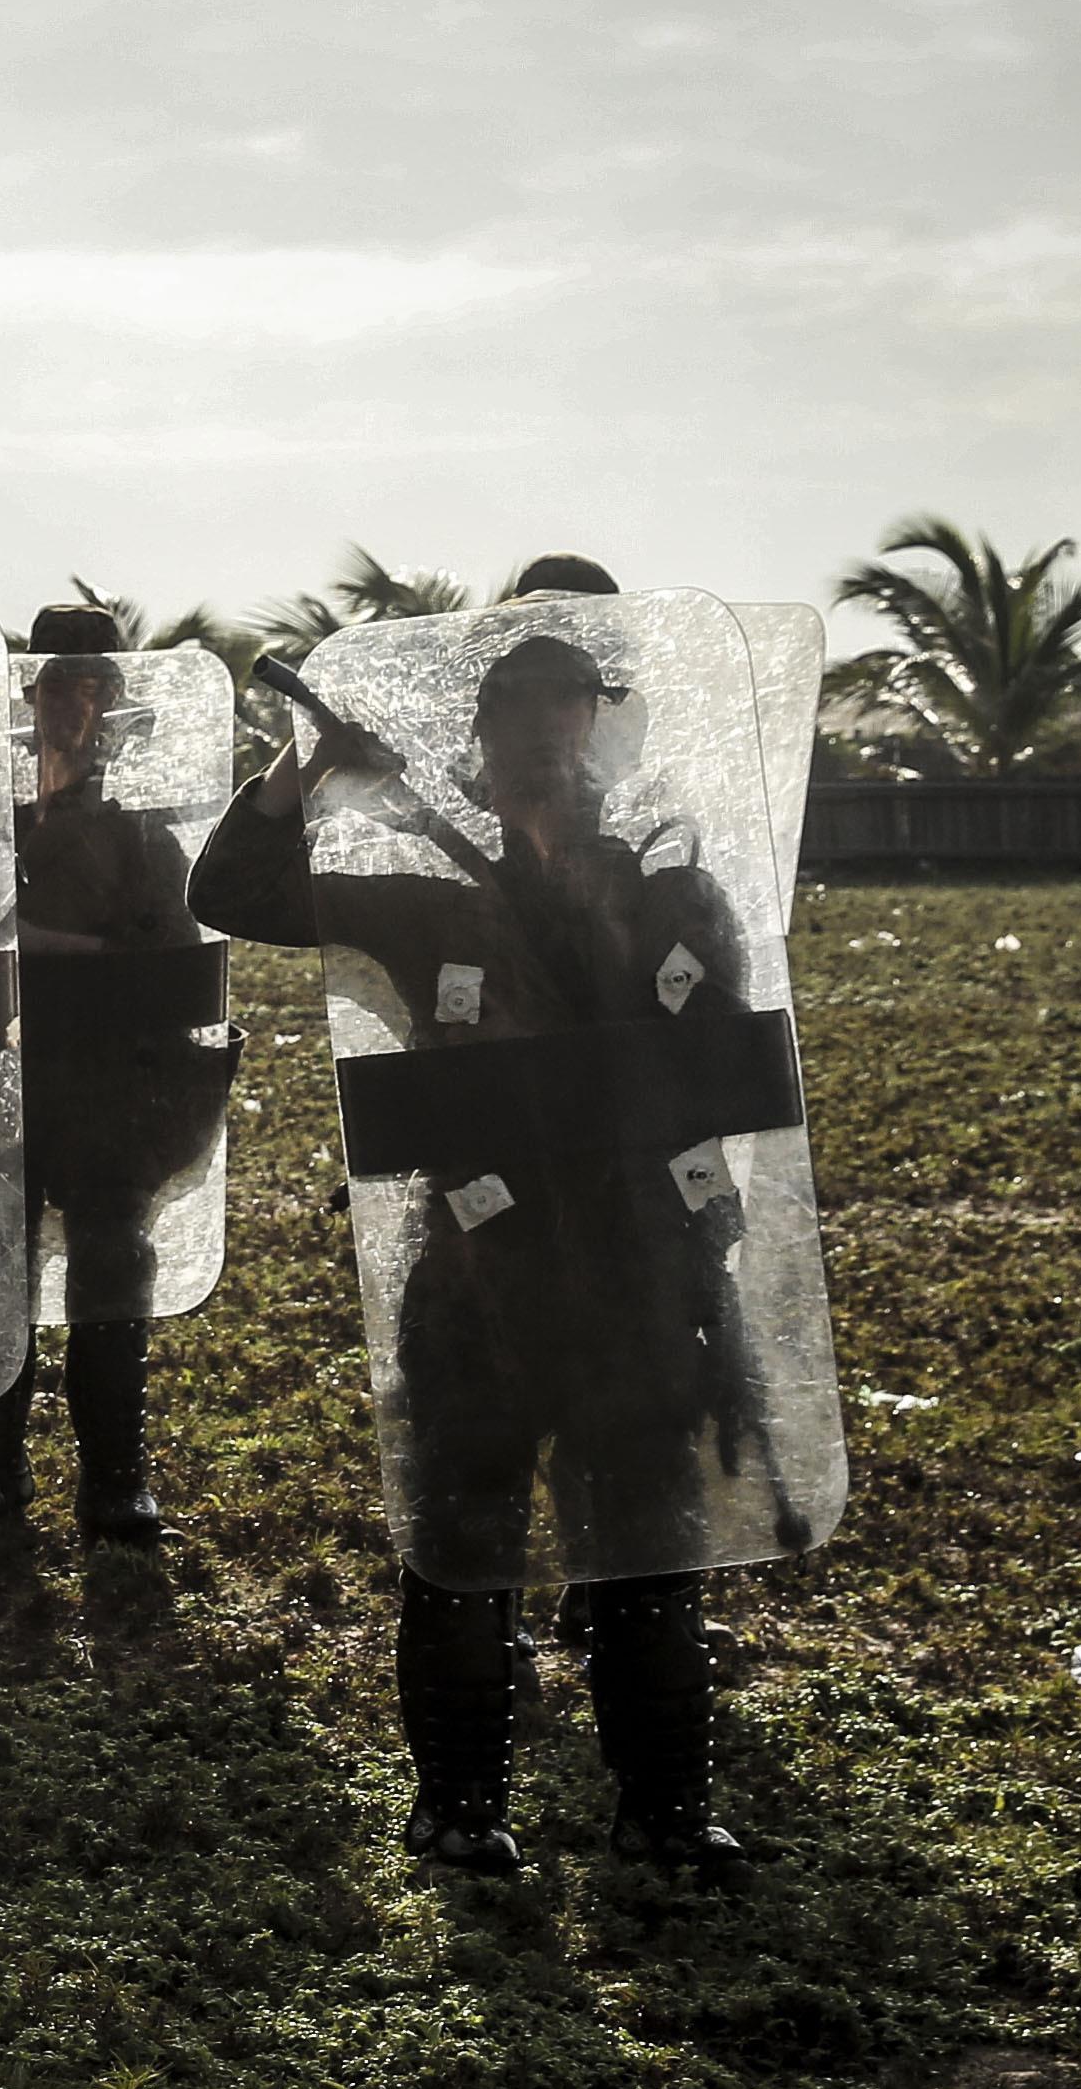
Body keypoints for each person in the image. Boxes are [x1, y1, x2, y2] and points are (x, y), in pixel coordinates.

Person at [193, 555, 780, 1876]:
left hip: (636, 1268)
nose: (540, 732)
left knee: (644, 1543)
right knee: (464, 1540)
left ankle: (667, 1805)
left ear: (599, 726)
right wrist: (306, 771)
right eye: (515, 706)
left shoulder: (669, 894)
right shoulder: (430, 898)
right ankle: (458, 1804)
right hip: (481, 1272)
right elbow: (232, 895)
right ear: (482, 732)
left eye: (564, 704)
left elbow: (724, 1066)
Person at [0, 600, 225, 1552]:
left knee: (113, 1279)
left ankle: (116, 1476)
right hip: (7, 1083)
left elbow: (174, 954)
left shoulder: (144, 831)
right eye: (56, 685)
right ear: (28, 699)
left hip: (113, 1084)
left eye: (92, 689)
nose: (71, 706)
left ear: (114, 707)